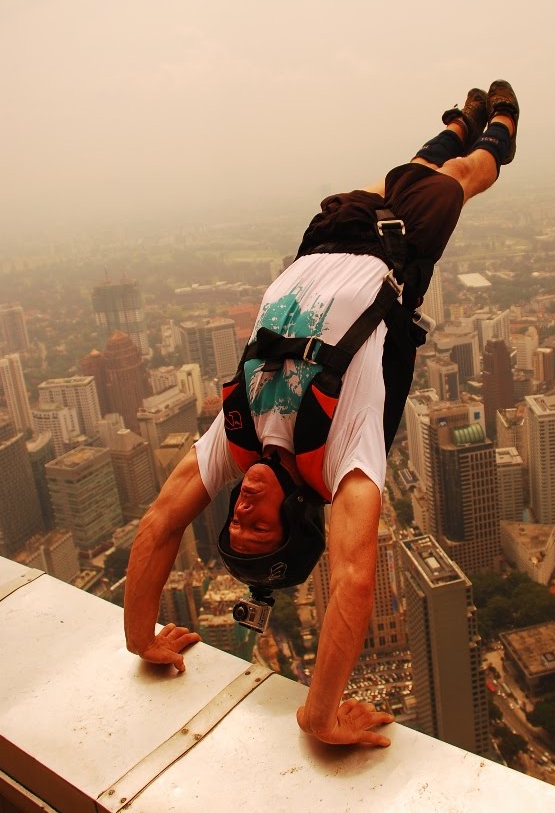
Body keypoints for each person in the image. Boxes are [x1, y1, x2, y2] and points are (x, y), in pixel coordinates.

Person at [123, 79, 519, 749]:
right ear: (296, 518)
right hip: (396, 250)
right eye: (259, 526)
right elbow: (354, 579)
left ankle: (458, 121)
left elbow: (161, 523)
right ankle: (500, 125)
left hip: (320, 243)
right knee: (465, 176)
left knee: (411, 168)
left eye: (235, 522)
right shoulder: (342, 461)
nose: (243, 509)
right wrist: (318, 714)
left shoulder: (237, 439)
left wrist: (140, 638)